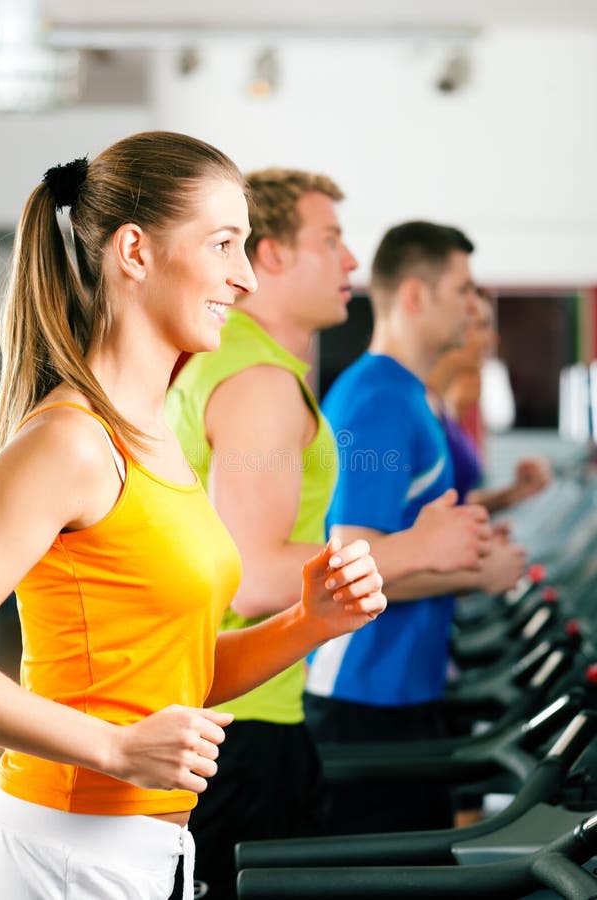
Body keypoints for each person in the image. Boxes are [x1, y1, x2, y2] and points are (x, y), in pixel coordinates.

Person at [0, 132, 388, 900]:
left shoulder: (149, 436)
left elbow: (178, 670)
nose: (245, 276)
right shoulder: (69, 442)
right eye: (222, 243)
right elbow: (122, 730)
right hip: (67, 845)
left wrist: (309, 622)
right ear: (135, 252)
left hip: (147, 845)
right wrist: (113, 748)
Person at [166, 172, 492, 896]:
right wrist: (420, 549)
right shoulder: (257, 382)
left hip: (246, 709)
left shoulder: (248, 365)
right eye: (331, 241)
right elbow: (255, 578)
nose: (351, 262)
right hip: (243, 719)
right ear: (272, 254)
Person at [304, 220, 527, 835]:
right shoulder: (379, 400)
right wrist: (474, 574)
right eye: (463, 289)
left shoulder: (406, 395)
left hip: (403, 686)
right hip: (363, 693)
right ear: (414, 295)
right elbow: (350, 567)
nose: (475, 306)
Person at [428, 287, 552, 512]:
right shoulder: (414, 405)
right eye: (481, 325)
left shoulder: (441, 407)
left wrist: (515, 492)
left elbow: (454, 504)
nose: (492, 338)